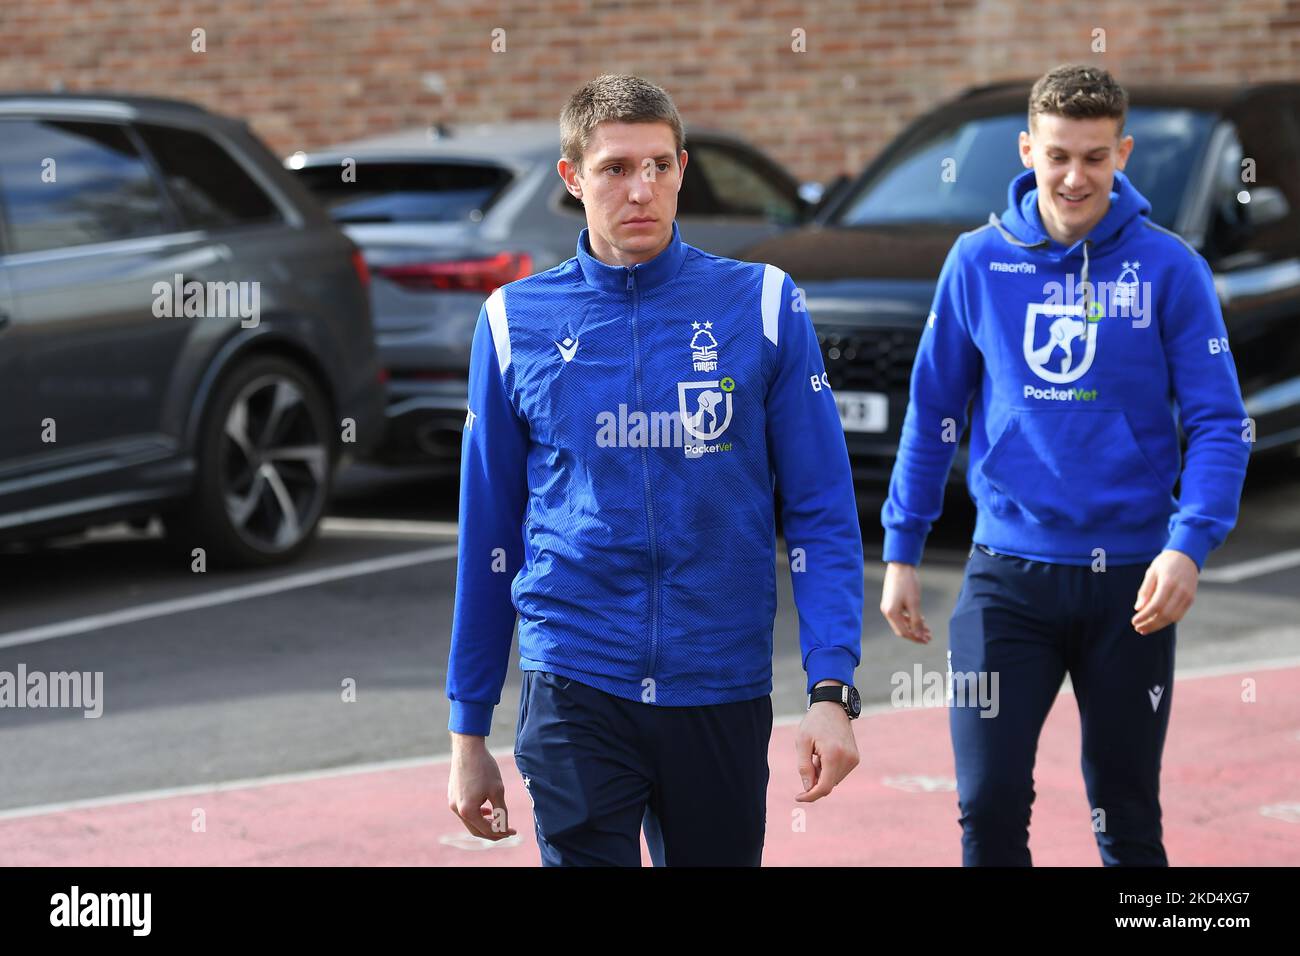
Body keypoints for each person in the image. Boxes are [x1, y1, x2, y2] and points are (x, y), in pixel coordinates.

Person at [445, 74, 866, 867]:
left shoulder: (766, 305)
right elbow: (488, 534)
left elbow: (820, 511)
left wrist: (831, 689)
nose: (640, 189)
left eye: (658, 166)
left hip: (720, 682)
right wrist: (468, 731)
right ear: (573, 178)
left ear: (680, 167)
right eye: (613, 169)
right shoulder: (511, 322)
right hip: (574, 677)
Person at [879, 64, 1250, 866]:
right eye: (1057, 156)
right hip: (1006, 578)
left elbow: (1222, 423)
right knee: (987, 804)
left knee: (1125, 816)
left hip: (1134, 584)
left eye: (1093, 157)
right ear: (1027, 150)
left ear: (1122, 154)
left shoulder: (1171, 269)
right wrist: (902, 549)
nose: (1074, 177)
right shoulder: (977, 263)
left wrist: (1190, 544)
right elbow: (934, 412)